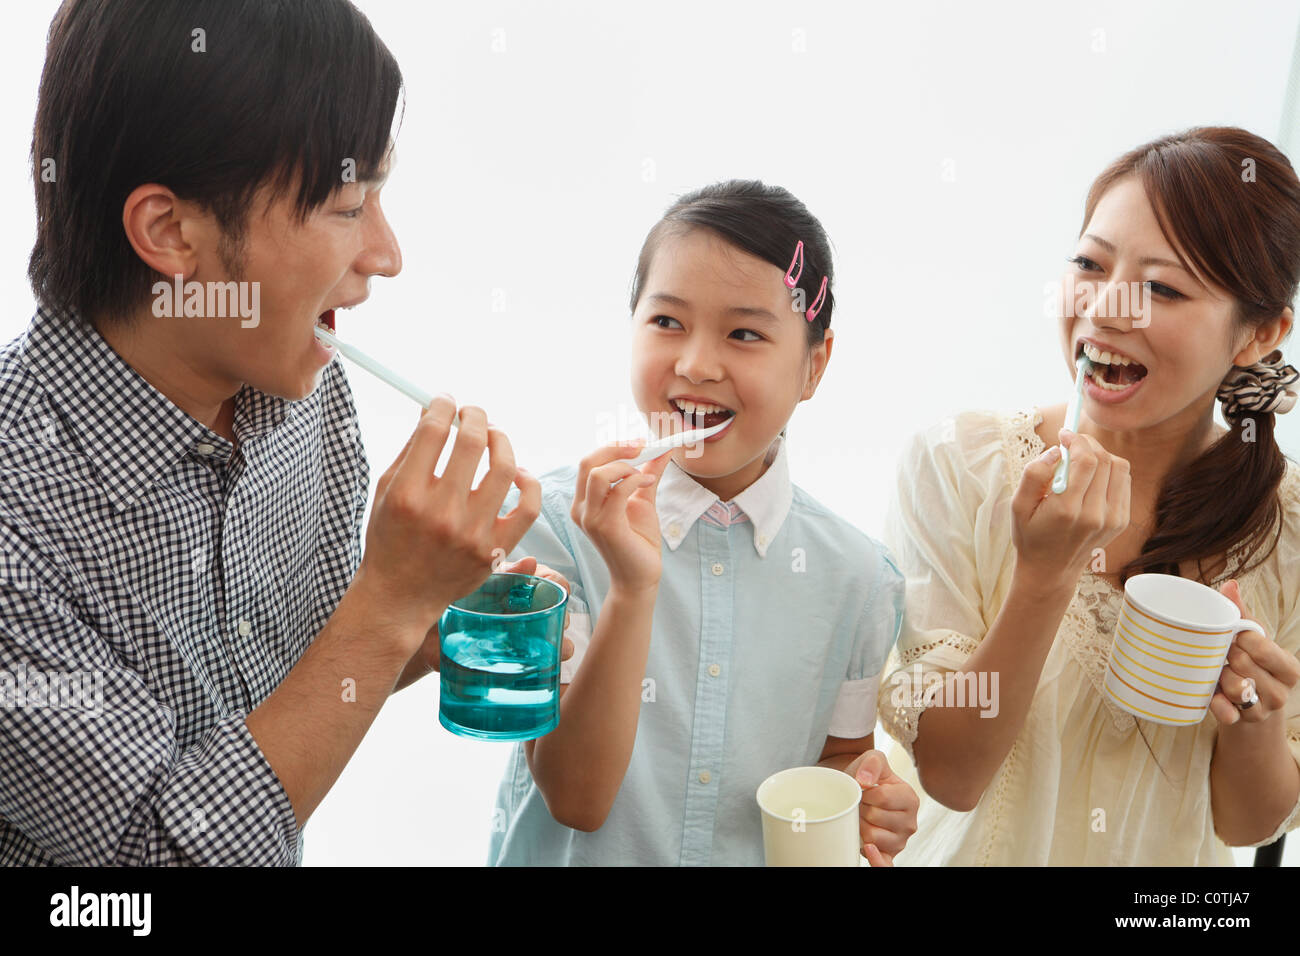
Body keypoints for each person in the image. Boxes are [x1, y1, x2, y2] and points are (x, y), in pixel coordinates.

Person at [0, 0, 553, 865]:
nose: (387, 253)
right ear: (170, 232)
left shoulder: (293, 383)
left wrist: (437, 607)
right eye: (344, 206)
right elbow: (157, 860)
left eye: (381, 194)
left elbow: (308, 669)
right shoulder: (14, 527)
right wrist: (392, 603)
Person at [877, 126, 1300, 865]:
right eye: (1088, 264)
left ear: (1259, 333)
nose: (1106, 310)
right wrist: (1041, 579)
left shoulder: (1285, 525)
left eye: (1163, 288)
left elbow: (1246, 826)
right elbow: (950, 773)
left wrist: (1257, 722)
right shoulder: (956, 464)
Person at [488, 180, 920, 866]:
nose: (695, 364)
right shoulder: (545, 528)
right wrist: (631, 592)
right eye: (667, 322)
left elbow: (839, 757)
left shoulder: (860, 579)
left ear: (815, 365)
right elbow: (576, 796)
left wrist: (864, 796)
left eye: (744, 333)